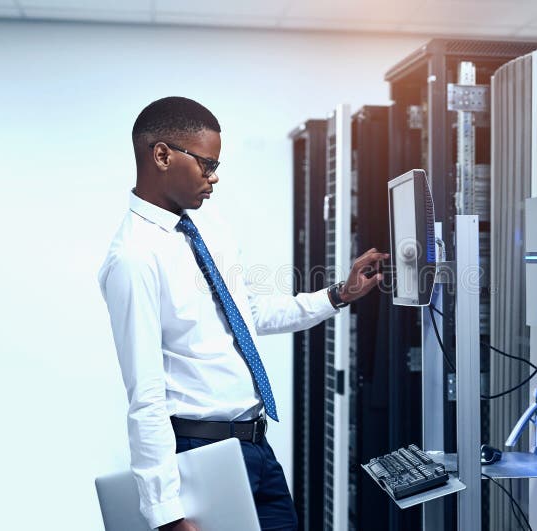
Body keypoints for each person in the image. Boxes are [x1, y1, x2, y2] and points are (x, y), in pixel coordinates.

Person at [98, 96, 387, 531]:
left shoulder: (208, 225)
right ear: (162, 155)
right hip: (196, 455)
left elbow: (250, 316)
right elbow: (145, 394)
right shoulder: (134, 258)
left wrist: (339, 294)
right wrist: (167, 514)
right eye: (206, 165)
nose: (213, 179)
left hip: (254, 448)